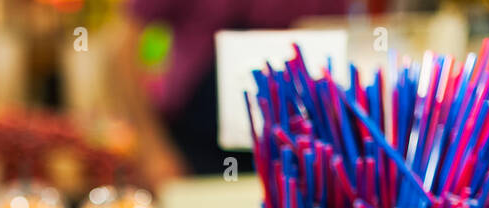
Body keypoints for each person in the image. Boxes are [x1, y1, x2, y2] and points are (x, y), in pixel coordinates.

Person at [117, 0, 352, 189]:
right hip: (190, 149)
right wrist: (153, 151)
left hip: (289, 151)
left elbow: (337, 46)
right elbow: (120, 52)